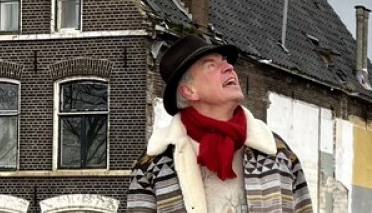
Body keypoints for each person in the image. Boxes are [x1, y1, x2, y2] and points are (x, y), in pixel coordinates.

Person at [127, 34, 313, 213]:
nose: (229, 67)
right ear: (189, 91)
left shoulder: (277, 154)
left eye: (226, 61)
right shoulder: (154, 165)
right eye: (211, 65)